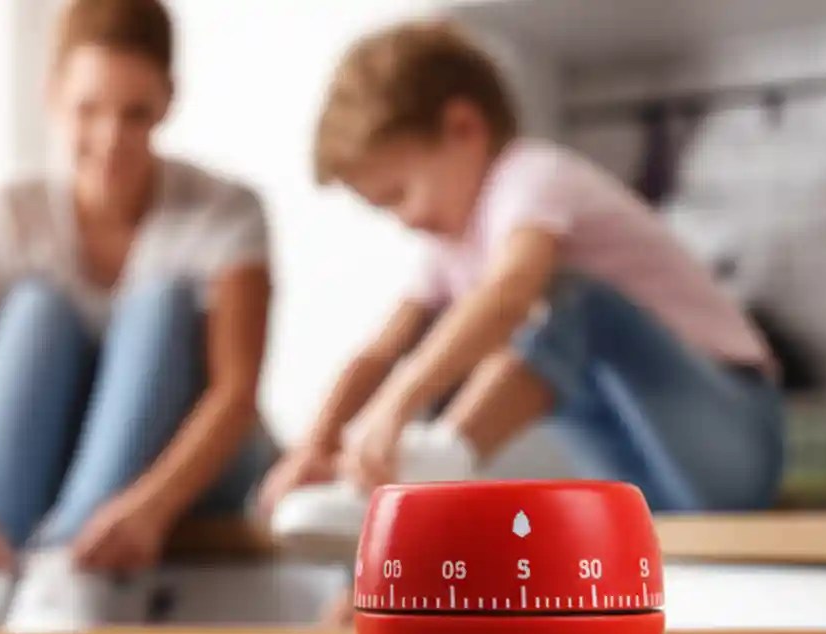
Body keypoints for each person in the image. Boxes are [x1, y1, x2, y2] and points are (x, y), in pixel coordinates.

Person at [261, 21, 784, 554]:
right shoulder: (452, 248)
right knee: (457, 352)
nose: (405, 220)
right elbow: (382, 348)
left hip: (734, 436)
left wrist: (396, 405)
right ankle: (403, 488)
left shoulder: (532, 174)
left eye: (400, 193)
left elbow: (510, 293)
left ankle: (434, 469)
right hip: (642, 487)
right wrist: (314, 445)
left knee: (561, 300)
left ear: (464, 128)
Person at [0, 0, 277, 587]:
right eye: (89, 110)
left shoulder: (225, 212)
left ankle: (45, 575)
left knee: (159, 307)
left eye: (135, 113)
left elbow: (236, 395)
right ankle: (6, 569)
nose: (111, 139)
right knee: (36, 309)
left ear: (168, 100)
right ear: (52, 95)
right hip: (55, 465)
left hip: (198, 474)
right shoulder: (8, 216)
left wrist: (151, 508)